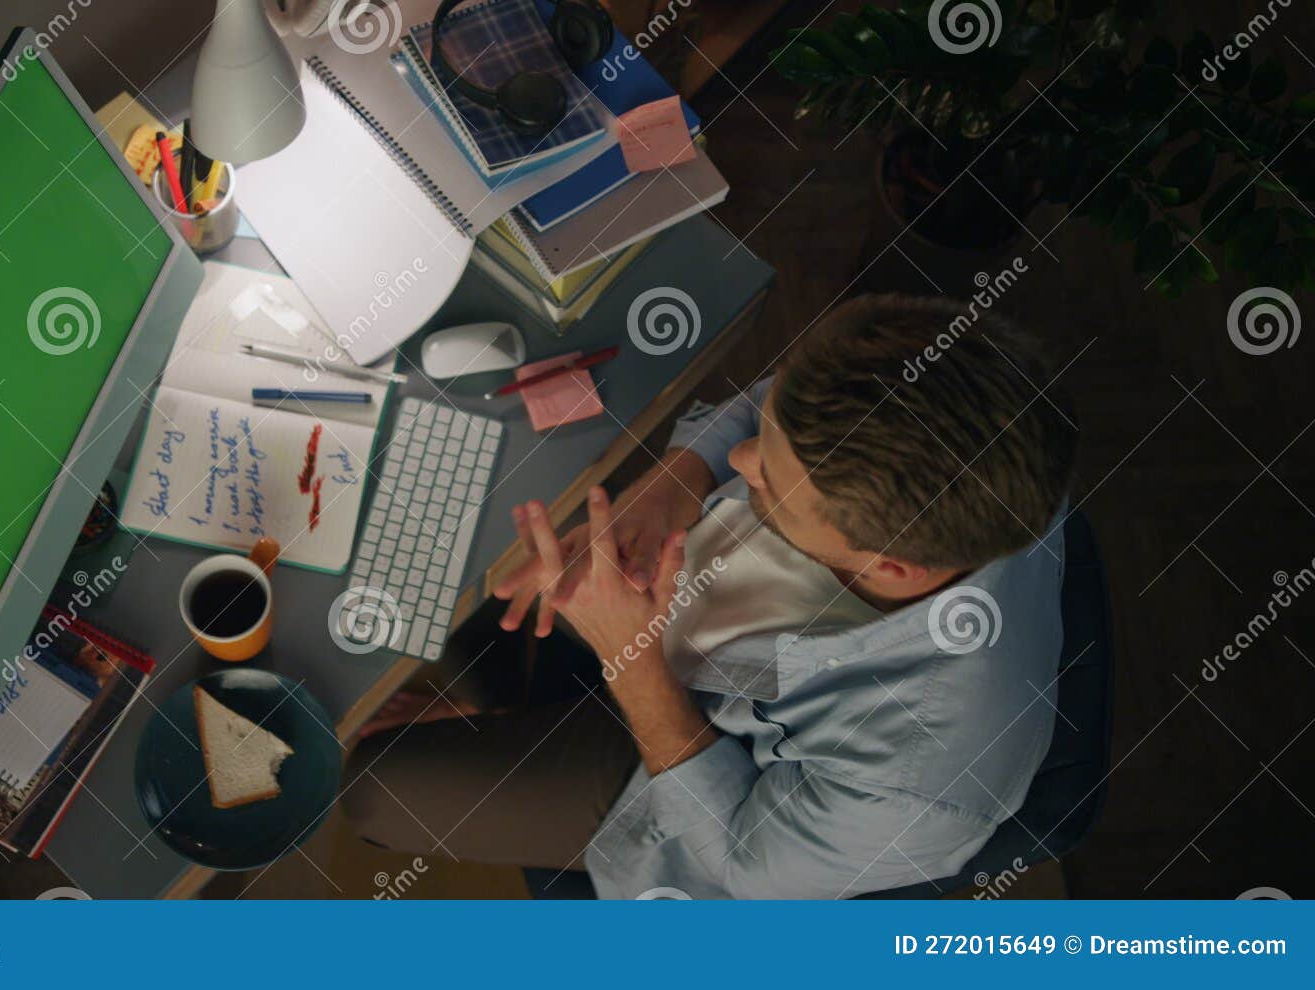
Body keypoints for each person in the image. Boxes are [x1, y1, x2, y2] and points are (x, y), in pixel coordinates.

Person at [343, 294, 1078, 898]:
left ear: (891, 568)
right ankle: (518, 710)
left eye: (770, 487)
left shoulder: (917, 787)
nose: (739, 458)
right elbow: (772, 409)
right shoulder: (958, 413)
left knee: (379, 789)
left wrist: (629, 661)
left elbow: (739, 861)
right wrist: (674, 478)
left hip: (706, 762)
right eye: (761, 438)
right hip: (677, 618)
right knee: (451, 550)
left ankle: (508, 714)